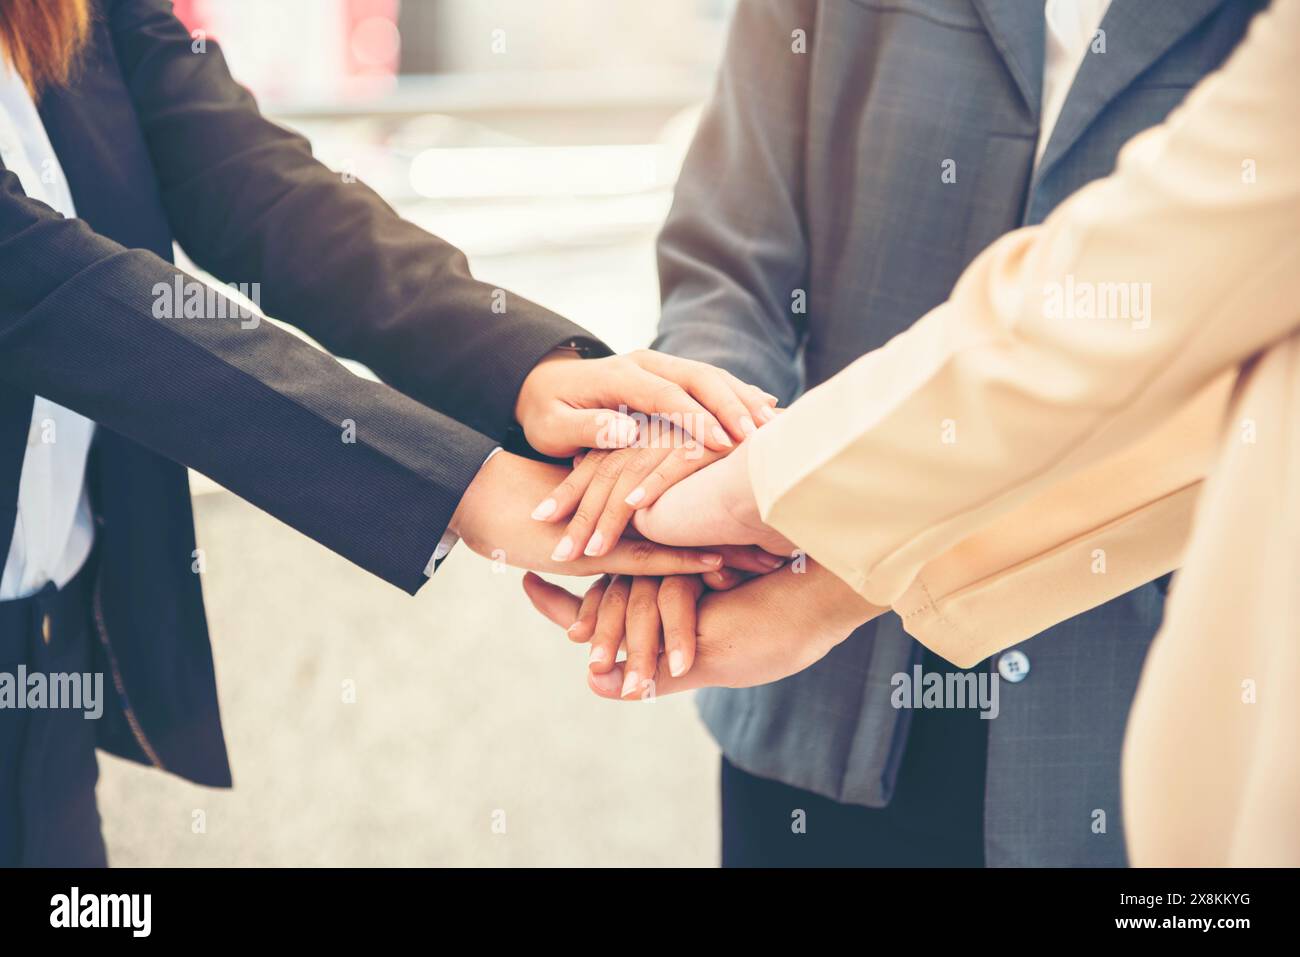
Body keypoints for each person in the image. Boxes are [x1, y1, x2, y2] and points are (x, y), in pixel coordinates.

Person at [0, 0, 776, 866]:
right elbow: (45, 289)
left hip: (49, 657)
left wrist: (527, 370)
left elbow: (239, 171)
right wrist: (468, 484)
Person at [533, 0, 1299, 866]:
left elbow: (1193, 345)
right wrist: (686, 451)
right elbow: (732, 250)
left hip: (1130, 695)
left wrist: (730, 505)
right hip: (816, 704)